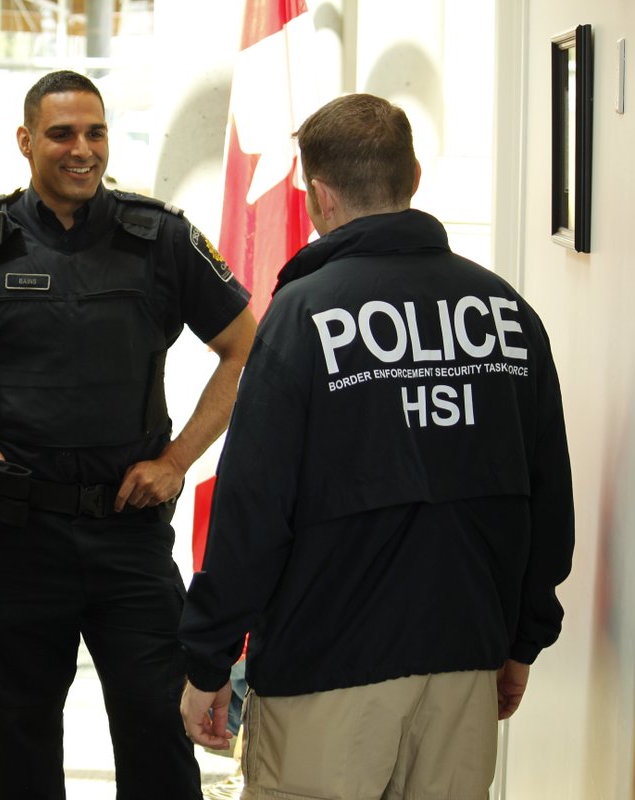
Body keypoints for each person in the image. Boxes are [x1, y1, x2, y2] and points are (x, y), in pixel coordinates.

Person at [0, 70, 257, 800]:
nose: (83, 149)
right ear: (25, 141)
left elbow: (245, 346)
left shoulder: (161, 239)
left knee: (159, 741)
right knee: (17, 750)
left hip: (129, 535)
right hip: (13, 536)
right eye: (62, 134)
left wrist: (178, 460)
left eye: (95, 132)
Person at [178, 93, 575, 799]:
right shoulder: (507, 314)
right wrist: (523, 639)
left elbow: (253, 509)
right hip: (465, 658)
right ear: (414, 176)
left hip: (328, 669)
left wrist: (209, 657)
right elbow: (549, 499)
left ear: (320, 196)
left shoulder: (304, 316)